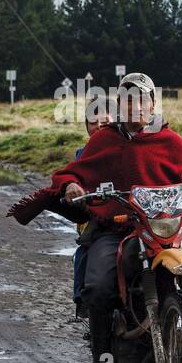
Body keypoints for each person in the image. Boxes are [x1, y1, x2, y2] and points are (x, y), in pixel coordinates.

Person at [53, 72, 182, 363]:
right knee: (98, 283)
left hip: (166, 231)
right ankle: (102, 359)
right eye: (126, 100)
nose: (134, 106)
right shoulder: (104, 140)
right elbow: (70, 173)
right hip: (118, 228)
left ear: (152, 105)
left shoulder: (170, 140)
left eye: (141, 100)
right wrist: (70, 185)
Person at [72, 103, 113, 318]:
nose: (98, 127)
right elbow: (74, 176)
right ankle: (82, 299)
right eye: (93, 123)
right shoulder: (83, 154)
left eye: (105, 122)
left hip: (127, 211)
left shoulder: (126, 146)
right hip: (94, 214)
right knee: (86, 249)